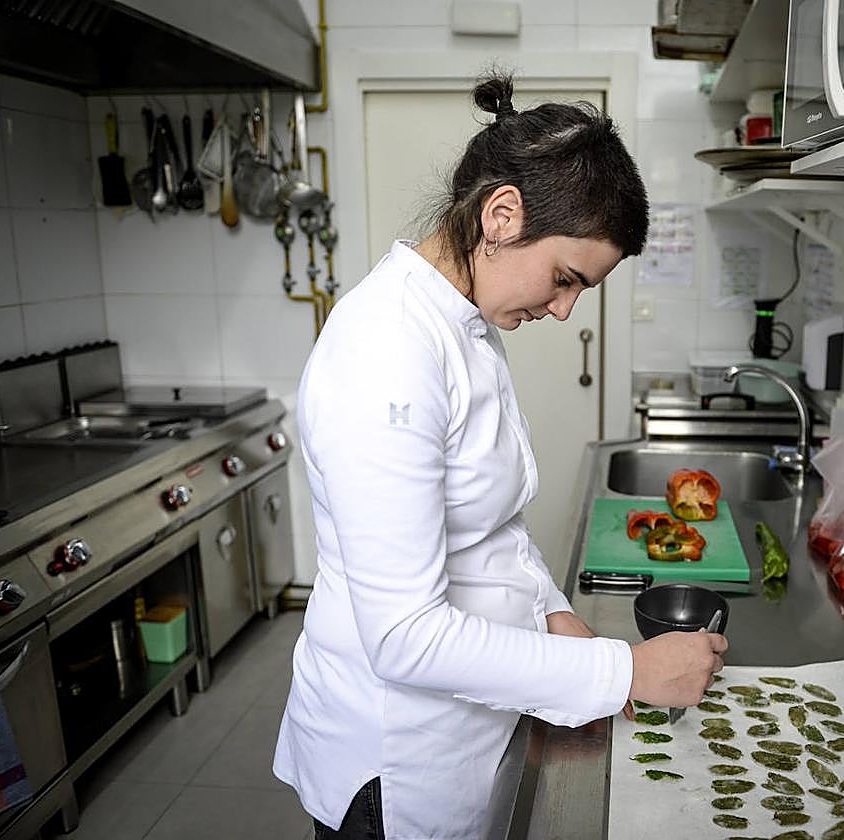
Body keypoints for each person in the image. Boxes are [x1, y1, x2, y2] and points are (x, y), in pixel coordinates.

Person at [273, 73, 728, 840]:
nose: (563, 309)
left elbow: (491, 525)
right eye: (564, 279)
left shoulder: (465, 325)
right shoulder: (386, 350)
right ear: (502, 214)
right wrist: (625, 671)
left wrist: (550, 609)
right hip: (397, 763)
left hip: (470, 729)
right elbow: (405, 637)